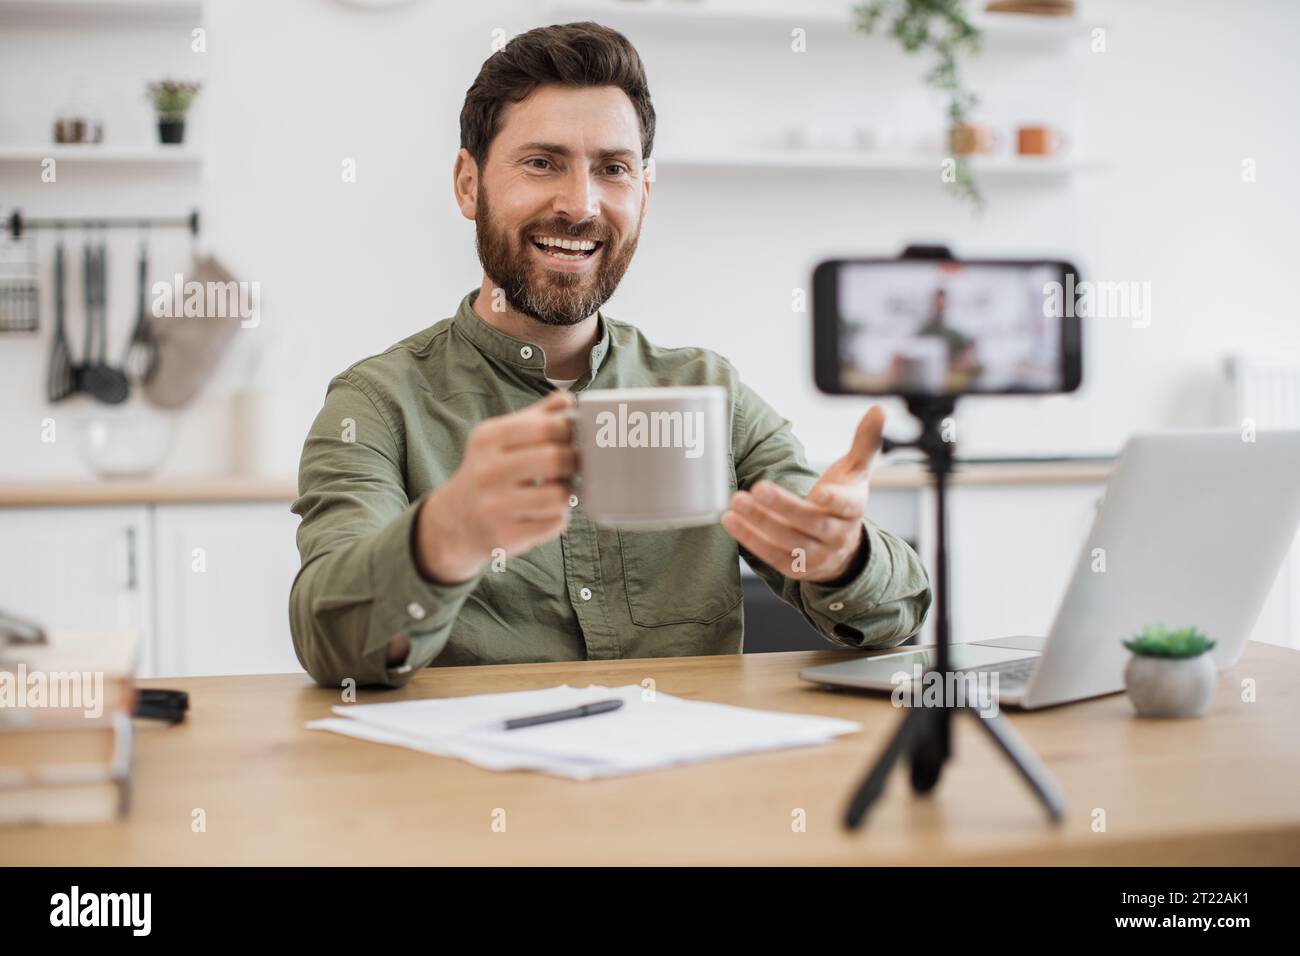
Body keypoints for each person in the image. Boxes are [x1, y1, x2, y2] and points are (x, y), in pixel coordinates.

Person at [289, 22, 931, 687]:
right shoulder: (376, 404)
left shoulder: (711, 394)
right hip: (471, 787)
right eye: (542, 162)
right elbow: (332, 644)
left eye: (613, 169)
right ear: (468, 184)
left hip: (686, 781)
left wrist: (842, 557)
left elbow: (897, 617)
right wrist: (446, 534)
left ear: (643, 194)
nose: (580, 205)